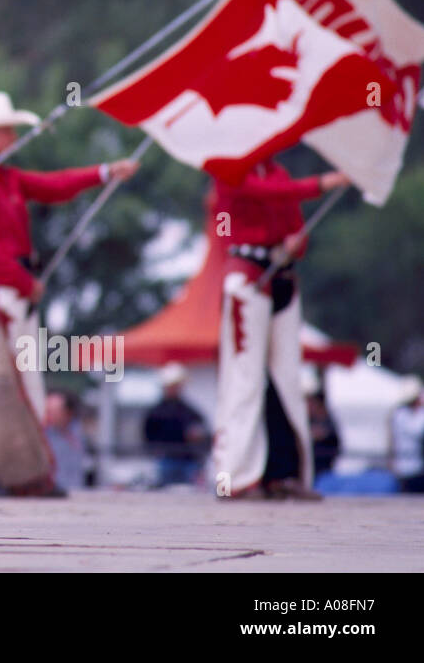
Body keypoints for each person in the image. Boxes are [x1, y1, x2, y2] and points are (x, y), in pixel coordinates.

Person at [0, 91, 137, 497]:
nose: (12, 135)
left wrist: (104, 172)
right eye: (4, 129)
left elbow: (54, 185)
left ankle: (12, 467)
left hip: (14, 288)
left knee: (6, 379)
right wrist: (23, 282)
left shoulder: (4, 177)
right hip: (6, 289)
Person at [210, 155, 349, 501]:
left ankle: (284, 472)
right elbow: (263, 197)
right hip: (248, 277)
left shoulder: (277, 173)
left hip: (280, 277)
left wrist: (293, 243)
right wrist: (322, 183)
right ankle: (236, 474)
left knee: (287, 378)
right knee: (245, 378)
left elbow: (292, 221)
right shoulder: (229, 170)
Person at [142, 362, 208, 486]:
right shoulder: (156, 411)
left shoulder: (189, 410)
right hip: (166, 459)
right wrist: (155, 450)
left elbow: (201, 429)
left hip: (188, 459)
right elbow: (148, 433)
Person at [390, 376, 424, 493]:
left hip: (412, 467)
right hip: (410, 469)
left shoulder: (400, 414)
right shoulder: (402, 415)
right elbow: (417, 431)